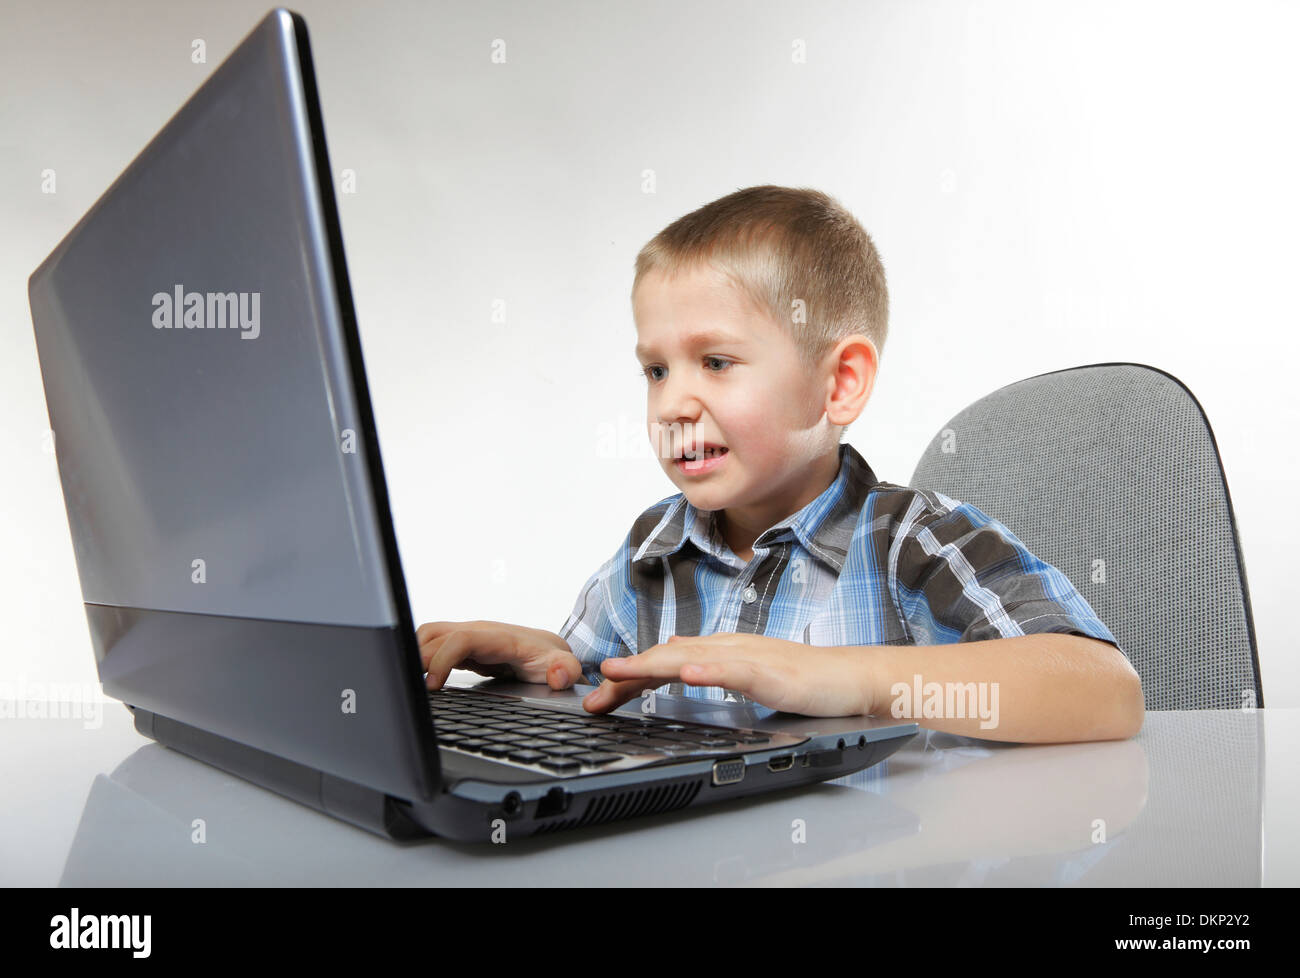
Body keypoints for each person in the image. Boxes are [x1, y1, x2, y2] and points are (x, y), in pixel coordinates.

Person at [419, 185, 1143, 744]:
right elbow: (591, 677)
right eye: (656, 371)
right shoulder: (649, 553)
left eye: (716, 361)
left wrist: (842, 678)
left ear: (840, 383)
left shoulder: (908, 544)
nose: (673, 403)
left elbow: (1103, 690)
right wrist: (538, 659)